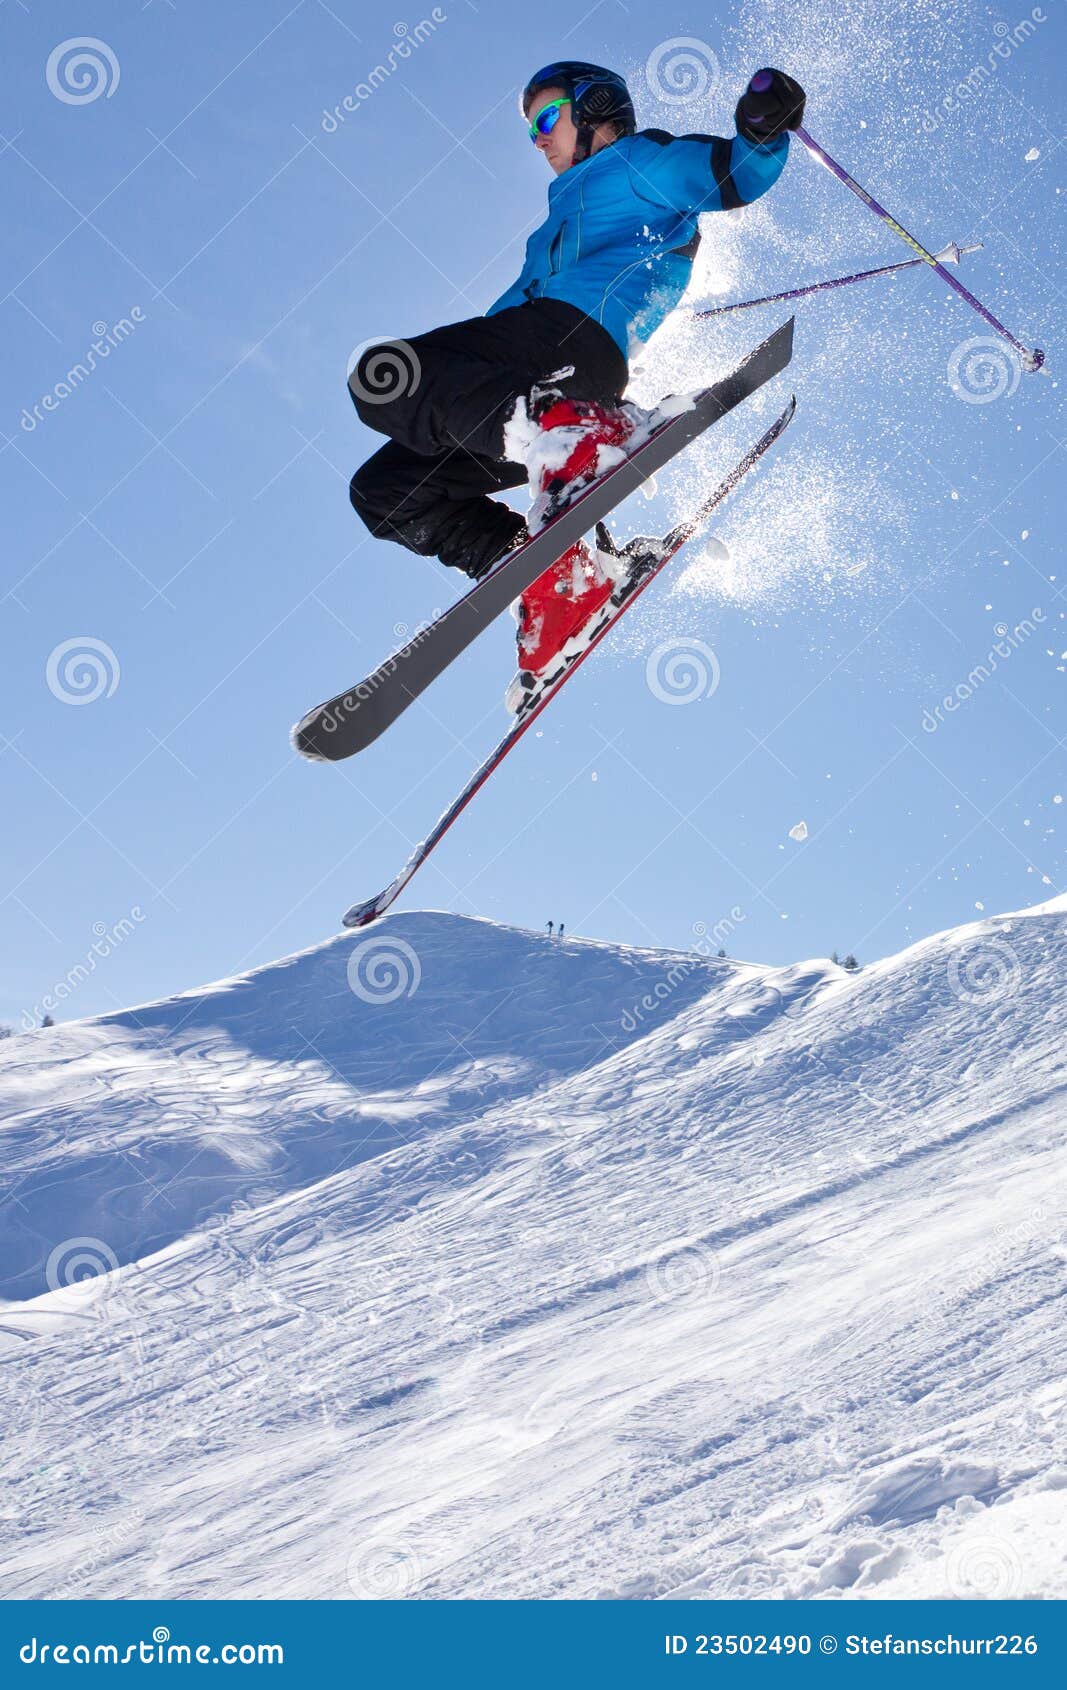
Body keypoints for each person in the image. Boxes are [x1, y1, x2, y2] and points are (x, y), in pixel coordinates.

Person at [349, 60, 804, 686]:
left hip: (571, 349)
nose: (537, 138)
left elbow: (731, 174)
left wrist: (762, 128)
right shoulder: (556, 216)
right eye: (530, 128)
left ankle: (563, 429)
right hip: (526, 385)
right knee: (383, 491)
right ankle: (559, 574)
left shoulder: (637, 165)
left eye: (546, 118)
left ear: (594, 109)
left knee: (384, 375)